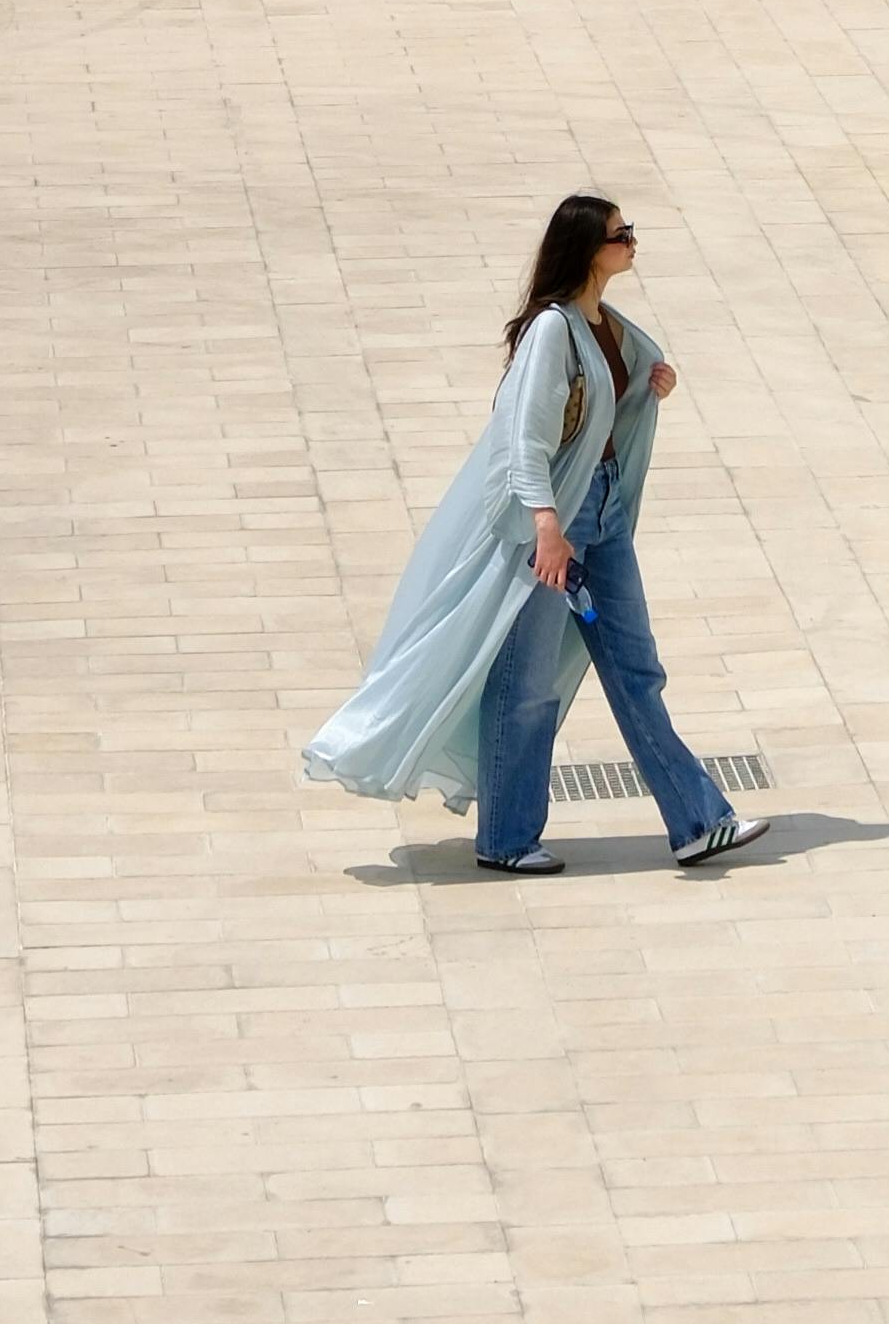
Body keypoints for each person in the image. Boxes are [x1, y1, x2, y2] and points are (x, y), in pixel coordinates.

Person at [301, 190, 749, 875]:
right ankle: (507, 839)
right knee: (526, 683)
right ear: (586, 249)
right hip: (556, 524)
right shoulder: (553, 330)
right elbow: (524, 440)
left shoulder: (605, 323)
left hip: (602, 517)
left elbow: (593, 415)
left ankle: (697, 821)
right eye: (619, 234)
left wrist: (643, 389)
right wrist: (545, 526)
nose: (631, 241)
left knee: (637, 672)